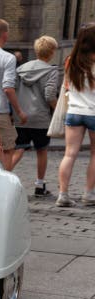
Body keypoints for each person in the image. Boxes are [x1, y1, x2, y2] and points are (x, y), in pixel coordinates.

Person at [12, 35, 59, 197]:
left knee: (18, 149)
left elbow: (14, 89)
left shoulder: (20, 69)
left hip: (22, 116)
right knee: (42, 150)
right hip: (40, 118)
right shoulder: (51, 71)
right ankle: (40, 185)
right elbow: (49, 95)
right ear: (52, 52)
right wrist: (59, 109)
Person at [56, 26, 95, 207]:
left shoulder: (70, 61)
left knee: (69, 154)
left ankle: (63, 194)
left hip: (74, 111)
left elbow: (66, 86)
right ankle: (88, 194)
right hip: (93, 113)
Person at [0, 19, 27, 171]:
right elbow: (8, 88)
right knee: (8, 149)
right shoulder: (8, 58)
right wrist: (19, 111)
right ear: (5, 36)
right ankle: (3, 183)